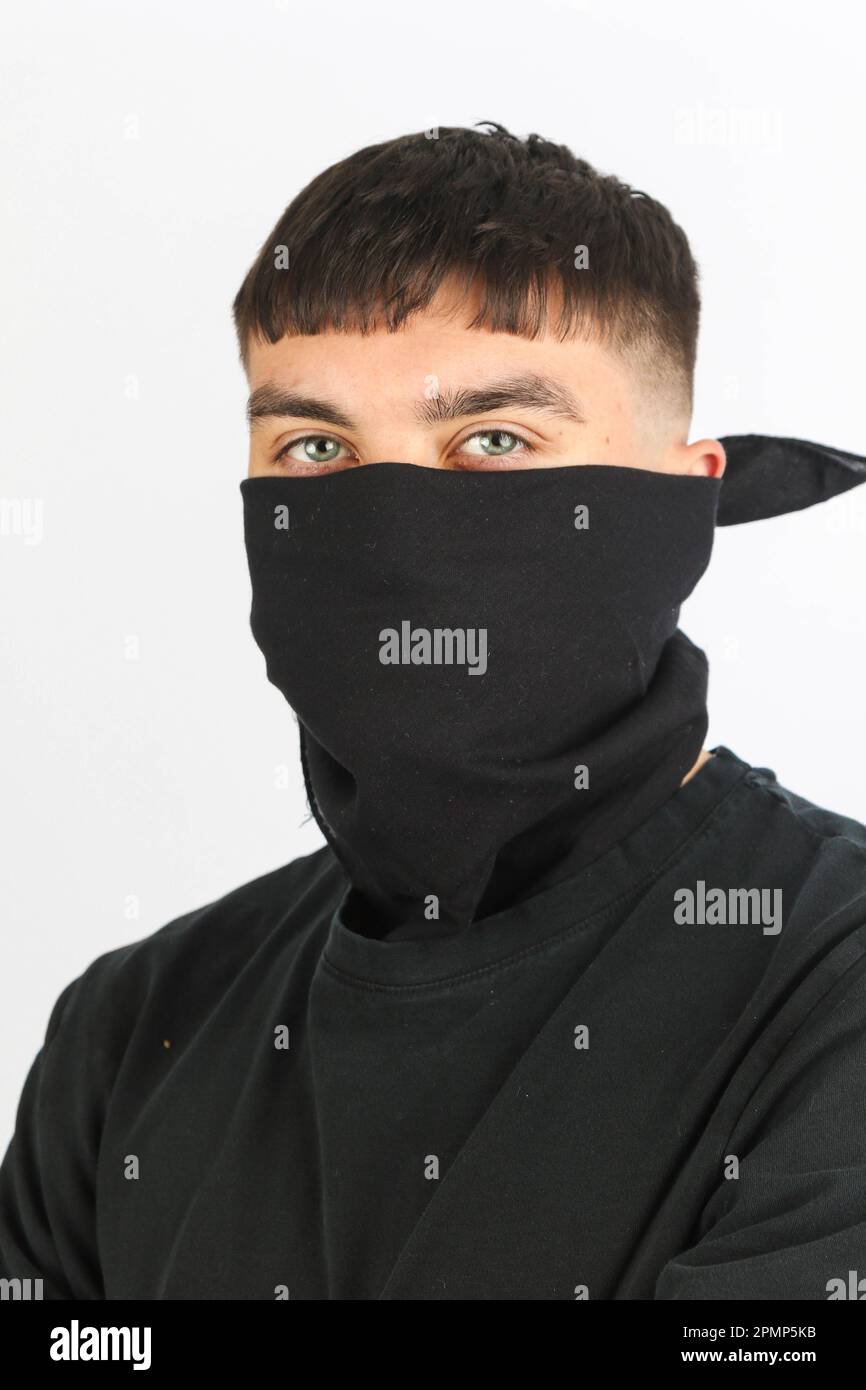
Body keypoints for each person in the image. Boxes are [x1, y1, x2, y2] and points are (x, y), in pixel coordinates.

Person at [2, 123, 866, 1301]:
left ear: (680, 500)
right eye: (315, 445)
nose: (391, 527)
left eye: (493, 440)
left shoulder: (830, 991)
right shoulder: (130, 1032)